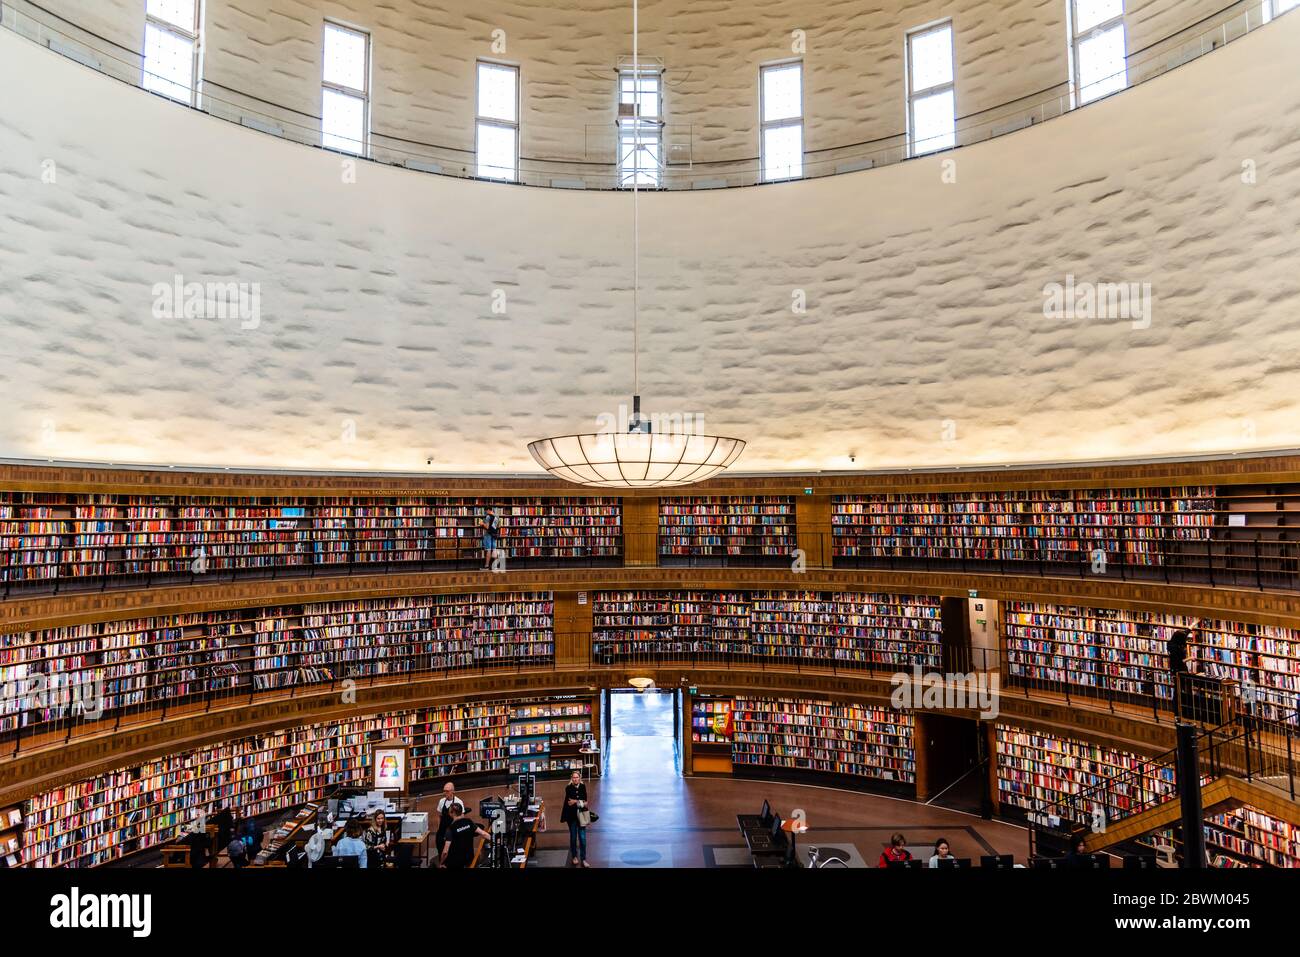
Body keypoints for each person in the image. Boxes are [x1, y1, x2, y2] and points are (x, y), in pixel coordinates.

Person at [440, 804, 489, 869]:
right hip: (469, 859)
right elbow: (484, 834)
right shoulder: (469, 822)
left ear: (452, 813)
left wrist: (441, 863)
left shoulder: (450, 829)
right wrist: (496, 840)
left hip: (455, 862)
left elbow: (445, 851)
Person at [560, 769, 591, 867]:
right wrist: (579, 802)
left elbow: (585, 802)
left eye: (577, 777)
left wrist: (575, 801)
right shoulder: (568, 788)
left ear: (580, 778)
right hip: (571, 817)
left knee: (582, 839)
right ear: (571, 778)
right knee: (573, 838)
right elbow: (570, 802)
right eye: (573, 777)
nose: (575, 779)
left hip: (581, 816)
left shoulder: (583, 786)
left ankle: (584, 858)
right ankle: (574, 856)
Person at [435, 781, 465, 860]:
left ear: (453, 791)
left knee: (451, 853)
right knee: (440, 849)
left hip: (452, 832)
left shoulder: (458, 802)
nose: (445, 793)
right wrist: (439, 829)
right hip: (442, 831)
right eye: (444, 791)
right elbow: (439, 816)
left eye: (447, 791)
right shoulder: (441, 801)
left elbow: (462, 818)